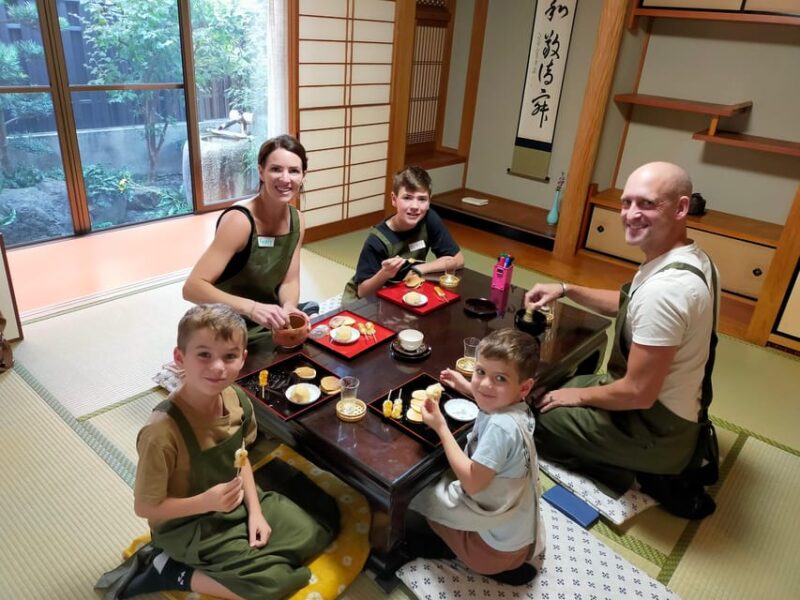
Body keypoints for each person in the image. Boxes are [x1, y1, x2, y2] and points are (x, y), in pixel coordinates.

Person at [524, 161, 720, 519]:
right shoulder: (693, 258)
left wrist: (576, 396)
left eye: (647, 204)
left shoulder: (667, 290)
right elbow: (631, 304)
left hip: (653, 428)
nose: (631, 214)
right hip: (671, 409)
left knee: (532, 418)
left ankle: (647, 474)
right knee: (551, 389)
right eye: (626, 202)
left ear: (681, 208)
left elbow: (638, 393)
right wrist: (566, 289)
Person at [111, 304, 337, 599]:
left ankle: (244, 555)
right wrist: (206, 502)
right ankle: (170, 571)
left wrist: (256, 512)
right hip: (188, 525)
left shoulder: (236, 399)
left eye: (229, 356)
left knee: (316, 532)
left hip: (233, 504)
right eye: (204, 355)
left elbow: (241, 458)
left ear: (242, 359)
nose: (218, 367)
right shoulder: (161, 433)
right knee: (272, 584)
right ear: (180, 358)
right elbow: (145, 508)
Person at [408, 329, 543, 586]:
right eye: (480, 372)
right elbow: (493, 397)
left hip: (492, 552)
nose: (485, 385)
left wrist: (441, 427)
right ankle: (500, 563)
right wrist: (466, 386)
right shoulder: (519, 409)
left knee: (423, 496)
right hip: (520, 538)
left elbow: (472, 483)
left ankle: (460, 555)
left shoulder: (500, 428)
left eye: (500, 378)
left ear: (524, 387)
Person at [183, 135, 315, 345]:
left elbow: (289, 280)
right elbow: (192, 288)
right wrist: (252, 308)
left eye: (294, 171)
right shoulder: (240, 221)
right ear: (261, 172)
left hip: (271, 320)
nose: (285, 179)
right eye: (276, 169)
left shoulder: (297, 220)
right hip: (227, 324)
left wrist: (289, 307)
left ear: (303, 176)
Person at [341, 166, 464, 304]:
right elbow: (363, 292)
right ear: (394, 199)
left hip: (404, 290)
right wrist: (385, 273)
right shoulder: (378, 239)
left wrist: (418, 269)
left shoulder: (428, 219)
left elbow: (457, 260)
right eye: (407, 198)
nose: (415, 206)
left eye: (422, 199)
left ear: (429, 201)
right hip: (369, 299)